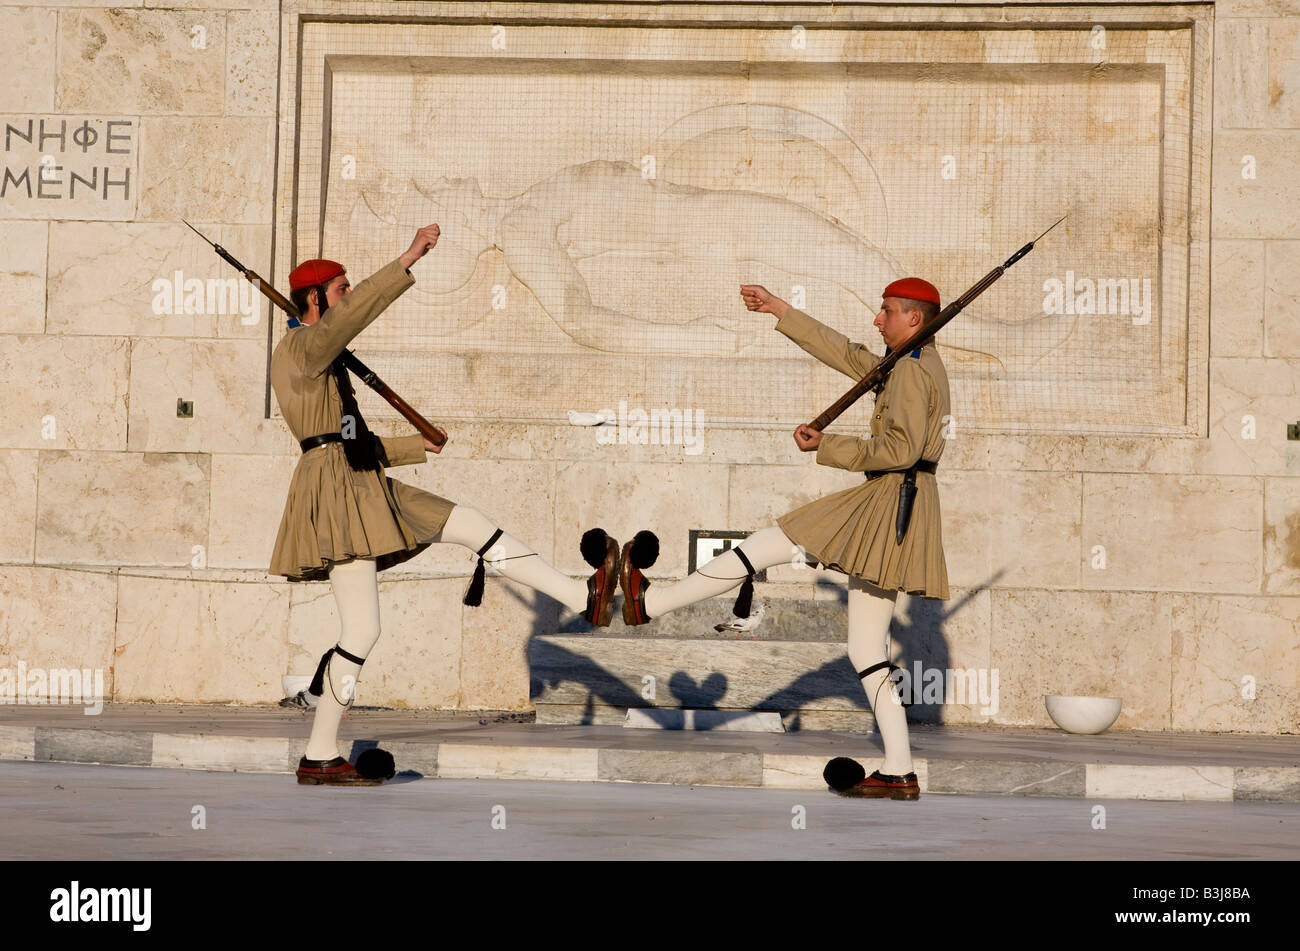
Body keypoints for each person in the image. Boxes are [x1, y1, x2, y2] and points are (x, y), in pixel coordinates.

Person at [268, 224, 620, 786]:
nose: (348, 295)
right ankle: (318, 752)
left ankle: (580, 595)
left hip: (363, 477)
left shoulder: (321, 355)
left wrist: (416, 446)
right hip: (338, 490)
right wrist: (408, 258)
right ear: (314, 299)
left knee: (471, 523)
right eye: (340, 289)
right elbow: (338, 372)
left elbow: (350, 436)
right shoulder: (302, 348)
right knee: (360, 631)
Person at [618, 278, 951, 801]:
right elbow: (847, 353)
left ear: (914, 319)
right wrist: (781, 311)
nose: (877, 320)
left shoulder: (910, 369)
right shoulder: (912, 361)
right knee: (867, 648)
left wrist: (828, 445)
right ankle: (900, 771)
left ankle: (650, 601)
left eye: (886, 312)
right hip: (903, 502)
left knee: (774, 540)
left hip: (890, 498)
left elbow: (901, 449)